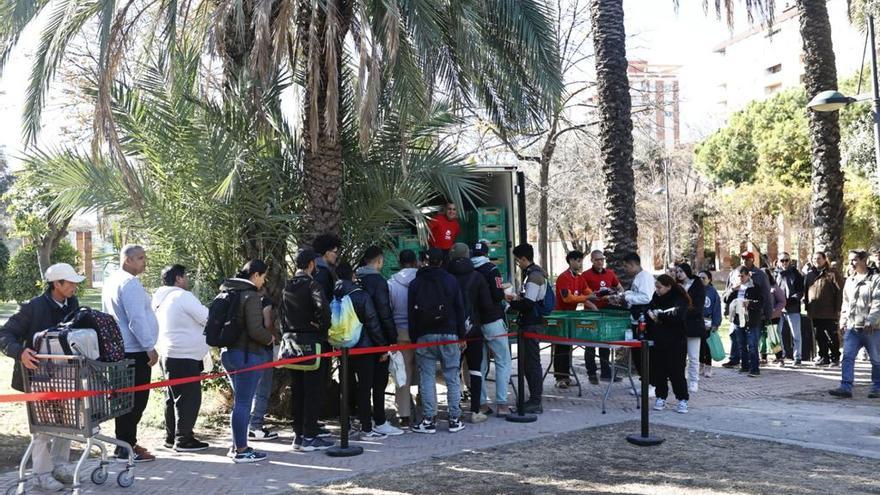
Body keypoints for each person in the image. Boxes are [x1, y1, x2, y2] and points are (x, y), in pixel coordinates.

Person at [0, 263, 83, 491]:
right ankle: (41, 474)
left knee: (67, 422)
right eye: (71, 282)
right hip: (38, 378)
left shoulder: (73, 304)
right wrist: (20, 352)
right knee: (43, 427)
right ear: (57, 284)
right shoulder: (32, 308)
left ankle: (59, 465)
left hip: (67, 376)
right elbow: (5, 334)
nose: (75, 286)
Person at [102, 245, 159, 462]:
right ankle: (125, 447)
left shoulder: (113, 280)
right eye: (141, 258)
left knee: (125, 401)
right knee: (135, 402)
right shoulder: (129, 283)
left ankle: (125, 443)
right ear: (128, 260)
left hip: (119, 349)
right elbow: (137, 319)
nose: (144, 262)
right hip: (133, 351)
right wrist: (149, 347)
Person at [218, 260, 275, 463]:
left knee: (240, 402)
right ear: (256, 275)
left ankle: (237, 445)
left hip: (228, 354)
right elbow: (255, 330)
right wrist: (270, 338)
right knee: (243, 402)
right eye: (264, 276)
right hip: (247, 355)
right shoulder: (250, 296)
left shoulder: (226, 292)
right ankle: (241, 450)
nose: (264, 280)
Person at [152, 264, 210, 452]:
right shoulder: (182, 296)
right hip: (185, 356)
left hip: (168, 354)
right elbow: (206, 317)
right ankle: (183, 439)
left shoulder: (160, 297)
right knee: (189, 399)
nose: (187, 280)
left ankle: (172, 436)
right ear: (178, 279)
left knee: (172, 397)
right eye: (185, 276)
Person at [409, 247, 467, 433]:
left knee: (427, 377)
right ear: (442, 261)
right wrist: (461, 335)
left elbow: (411, 313)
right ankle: (454, 418)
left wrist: (414, 336)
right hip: (449, 333)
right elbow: (460, 309)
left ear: (425, 261)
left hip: (424, 335)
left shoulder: (416, 282)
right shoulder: (451, 280)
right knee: (452, 376)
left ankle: (429, 419)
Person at [284, 249, 334, 451]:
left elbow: (282, 314)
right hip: (312, 343)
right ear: (312, 264)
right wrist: (320, 327)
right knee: (313, 391)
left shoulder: (288, 286)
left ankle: (298, 435)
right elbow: (324, 311)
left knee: (298, 390)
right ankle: (311, 436)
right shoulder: (313, 284)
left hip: (292, 345)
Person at [336, 261, 392, 438]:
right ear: (352, 275)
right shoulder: (360, 295)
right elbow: (373, 323)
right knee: (365, 386)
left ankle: (347, 424)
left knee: (347, 386)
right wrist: (382, 346)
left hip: (343, 346)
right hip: (364, 347)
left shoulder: (333, 293)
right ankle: (367, 427)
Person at [355, 247, 403, 437]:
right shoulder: (378, 281)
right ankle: (379, 421)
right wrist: (391, 339)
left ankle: (364, 421)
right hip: (376, 340)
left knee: (363, 384)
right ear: (379, 261)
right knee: (378, 383)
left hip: (355, 339)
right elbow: (384, 312)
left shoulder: (355, 279)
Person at [447, 243, 494, 423]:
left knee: (452, 370)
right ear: (468, 255)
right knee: (475, 369)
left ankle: (454, 411)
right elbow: (486, 305)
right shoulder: (477, 276)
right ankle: (475, 411)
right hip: (474, 329)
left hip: (452, 331)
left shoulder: (447, 276)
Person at [829, 250, 880, 398]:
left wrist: (871, 320)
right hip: (853, 327)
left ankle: (877, 387)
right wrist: (843, 320)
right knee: (847, 356)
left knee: (876, 359)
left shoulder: (876, 279)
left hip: (872, 328)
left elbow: (877, 302)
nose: (851, 263)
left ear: (864, 260)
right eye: (850, 260)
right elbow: (846, 302)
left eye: (855, 260)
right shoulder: (850, 280)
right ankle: (845, 387)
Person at [472, 241, 512, 417]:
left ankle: (481, 404)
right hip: (493, 320)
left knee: (479, 364)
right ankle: (502, 404)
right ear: (487, 254)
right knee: (503, 361)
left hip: (474, 323)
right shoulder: (492, 269)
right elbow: (497, 295)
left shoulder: (468, 270)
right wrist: (504, 291)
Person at [507, 243, 548, 414]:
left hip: (532, 323)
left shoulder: (534, 276)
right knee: (527, 363)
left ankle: (535, 400)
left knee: (532, 363)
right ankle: (533, 398)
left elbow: (529, 303)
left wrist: (511, 303)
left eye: (518, 261)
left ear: (524, 259)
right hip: (531, 323)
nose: (518, 264)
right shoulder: (534, 273)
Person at [646, 274, 691, 414]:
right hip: (659, 340)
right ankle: (661, 396)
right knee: (659, 370)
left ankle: (682, 399)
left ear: (668, 286)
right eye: (656, 287)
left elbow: (677, 316)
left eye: (660, 287)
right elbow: (649, 311)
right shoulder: (656, 297)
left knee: (676, 371)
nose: (657, 290)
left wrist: (660, 316)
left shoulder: (680, 298)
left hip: (676, 341)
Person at [552, 251, 597, 387]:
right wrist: (587, 298)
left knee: (568, 347)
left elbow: (588, 293)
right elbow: (567, 298)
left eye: (581, 261)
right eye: (578, 261)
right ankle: (560, 378)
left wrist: (598, 300)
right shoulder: (563, 278)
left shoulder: (579, 278)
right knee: (560, 347)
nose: (580, 263)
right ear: (571, 261)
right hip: (560, 317)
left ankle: (566, 376)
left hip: (571, 317)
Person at [722, 251, 771, 369]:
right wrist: (726, 310)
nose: (744, 260)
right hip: (737, 316)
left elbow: (765, 296)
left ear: (752, 260)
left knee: (752, 343)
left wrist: (767, 314)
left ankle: (754, 367)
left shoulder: (760, 275)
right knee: (738, 340)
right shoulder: (734, 273)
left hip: (753, 317)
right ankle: (738, 362)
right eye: (742, 258)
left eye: (747, 258)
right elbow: (726, 296)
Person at [582, 250, 624, 383]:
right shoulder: (585, 275)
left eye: (602, 259)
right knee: (590, 344)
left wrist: (616, 297)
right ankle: (592, 374)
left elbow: (620, 288)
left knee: (605, 343)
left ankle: (606, 373)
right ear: (592, 261)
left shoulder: (610, 273)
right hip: (591, 313)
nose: (600, 262)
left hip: (606, 312)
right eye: (597, 259)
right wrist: (593, 306)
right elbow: (582, 296)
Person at [388, 249, 419, 428]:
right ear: (415, 262)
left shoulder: (391, 283)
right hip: (422, 333)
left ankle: (404, 414)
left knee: (402, 373)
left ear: (399, 263)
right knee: (426, 371)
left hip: (401, 333)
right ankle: (428, 409)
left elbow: (388, 309)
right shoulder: (422, 280)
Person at [247, 290, 280, 440]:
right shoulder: (263, 300)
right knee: (262, 389)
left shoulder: (242, 299)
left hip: (243, 350)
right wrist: (275, 338)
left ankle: (247, 425)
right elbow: (267, 323)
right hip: (262, 348)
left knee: (247, 392)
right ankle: (256, 426)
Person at [804, 252, 844, 366]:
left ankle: (835, 357)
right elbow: (806, 292)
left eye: (819, 258)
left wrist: (838, 308)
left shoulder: (832, 273)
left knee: (831, 335)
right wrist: (807, 308)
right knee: (819, 335)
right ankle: (823, 356)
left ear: (824, 259)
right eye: (814, 259)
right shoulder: (810, 274)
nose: (817, 261)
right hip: (815, 311)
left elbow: (840, 291)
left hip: (829, 311)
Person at [724, 267, 765, 377]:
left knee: (752, 344)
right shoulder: (734, 286)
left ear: (748, 275)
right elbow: (725, 299)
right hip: (738, 319)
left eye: (742, 276)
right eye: (738, 276)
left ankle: (754, 368)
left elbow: (761, 303)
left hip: (751, 320)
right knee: (741, 344)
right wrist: (732, 290)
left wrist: (750, 303)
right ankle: (745, 366)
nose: (740, 278)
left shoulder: (755, 287)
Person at [674, 263, 705, 393]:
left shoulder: (697, 285)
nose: (679, 274)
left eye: (681, 271)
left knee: (693, 356)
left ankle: (694, 381)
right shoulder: (677, 287)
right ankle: (681, 379)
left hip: (693, 324)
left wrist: (684, 311)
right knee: (679, 355)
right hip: (679, 326)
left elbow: (698, 305)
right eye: (677, 272)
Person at [775, 253, 805, 366]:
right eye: (782, 260)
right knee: (778, 334)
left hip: (792, 308)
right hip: (778, 309)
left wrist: (791, 300)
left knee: (796, 335)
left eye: (786, 260)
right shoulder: (775, 274)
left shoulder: (796, 274)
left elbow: (800, 291)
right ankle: (780, 357)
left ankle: (797, 357)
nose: (784, 263)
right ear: (778, 261)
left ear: (790, 261)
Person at [698, 270, 721, 377]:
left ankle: (708, 367)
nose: (701, 280)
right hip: (697, 322)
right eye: (700, 278)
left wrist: (716, 324)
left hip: (708, 322)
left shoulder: (712, 292)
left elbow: (717, 309)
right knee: (699, 345)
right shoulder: (695, 290)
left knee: (708, 346)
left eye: (704, 278)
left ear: (709, 279)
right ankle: (700, 366)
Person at [312, 233, 341, 302]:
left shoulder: (310, 268)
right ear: (327, 253)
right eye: (335, 252)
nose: (336, 256)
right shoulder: (323, 273)